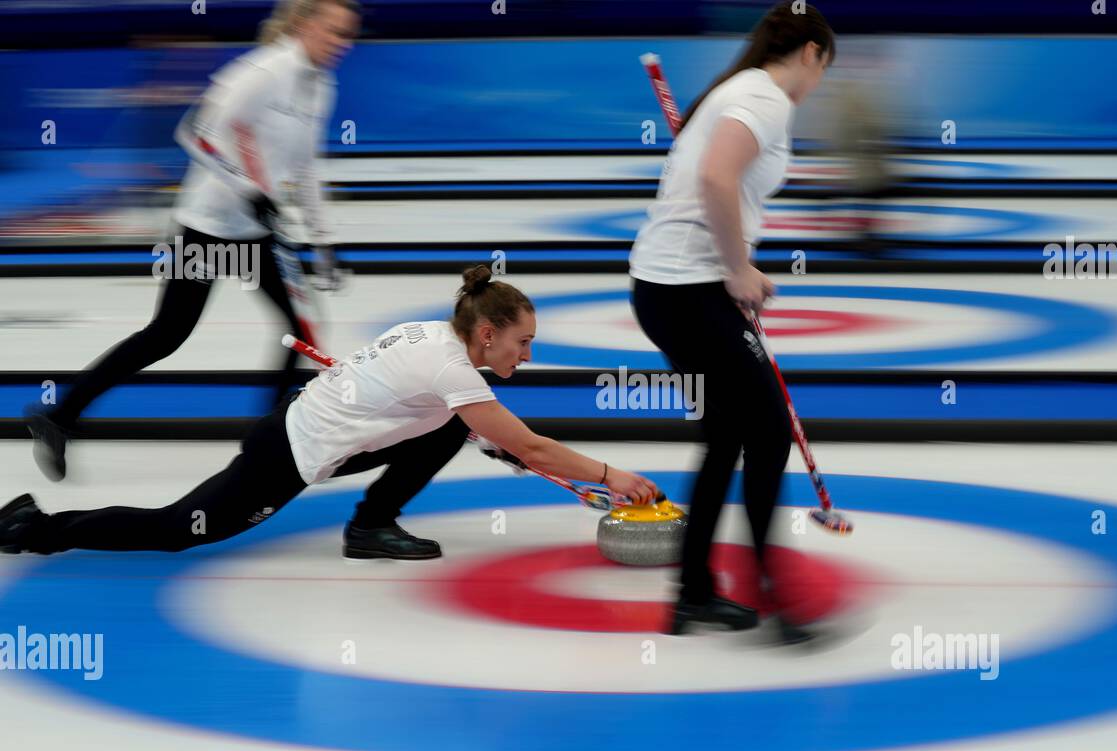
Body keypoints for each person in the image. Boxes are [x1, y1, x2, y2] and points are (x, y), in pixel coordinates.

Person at [0, 266, 660, 559]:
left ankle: (372, 526)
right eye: (524, 342)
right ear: (488, 335)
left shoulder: (438, 336)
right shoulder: (449, 366)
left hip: (306, 423)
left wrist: (493, 437)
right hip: (285, 453)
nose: (530, 353)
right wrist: (612, 475)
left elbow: (474, 424)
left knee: (455, 425)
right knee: (180, 529)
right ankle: (34, 528)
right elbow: (533, 448)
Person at [24, 0, 359, 482]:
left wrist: (325, 241)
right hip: (207, 226)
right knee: (168, 334)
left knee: (301, 331)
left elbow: (306, 164)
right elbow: (197, 133)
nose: (341, 43)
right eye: (333, 31)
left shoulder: (320, 83)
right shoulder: (261, 71)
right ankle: (58, 415)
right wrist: (248, 190)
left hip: (256, 232)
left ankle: (266, 445)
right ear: (305, 25)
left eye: (347, 34)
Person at [628, 2, 835, 636]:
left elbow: (717, 182)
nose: (819, 80)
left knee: (726, 435)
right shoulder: (768, 97)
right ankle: (777, 602)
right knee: (768, 433)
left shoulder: (737, 89)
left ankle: (693, 594)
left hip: (667, 287)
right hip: (688, 290)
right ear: (810, 54)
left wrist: (733, 264)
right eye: (824, 67)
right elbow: (718, 178)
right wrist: (736, 270)